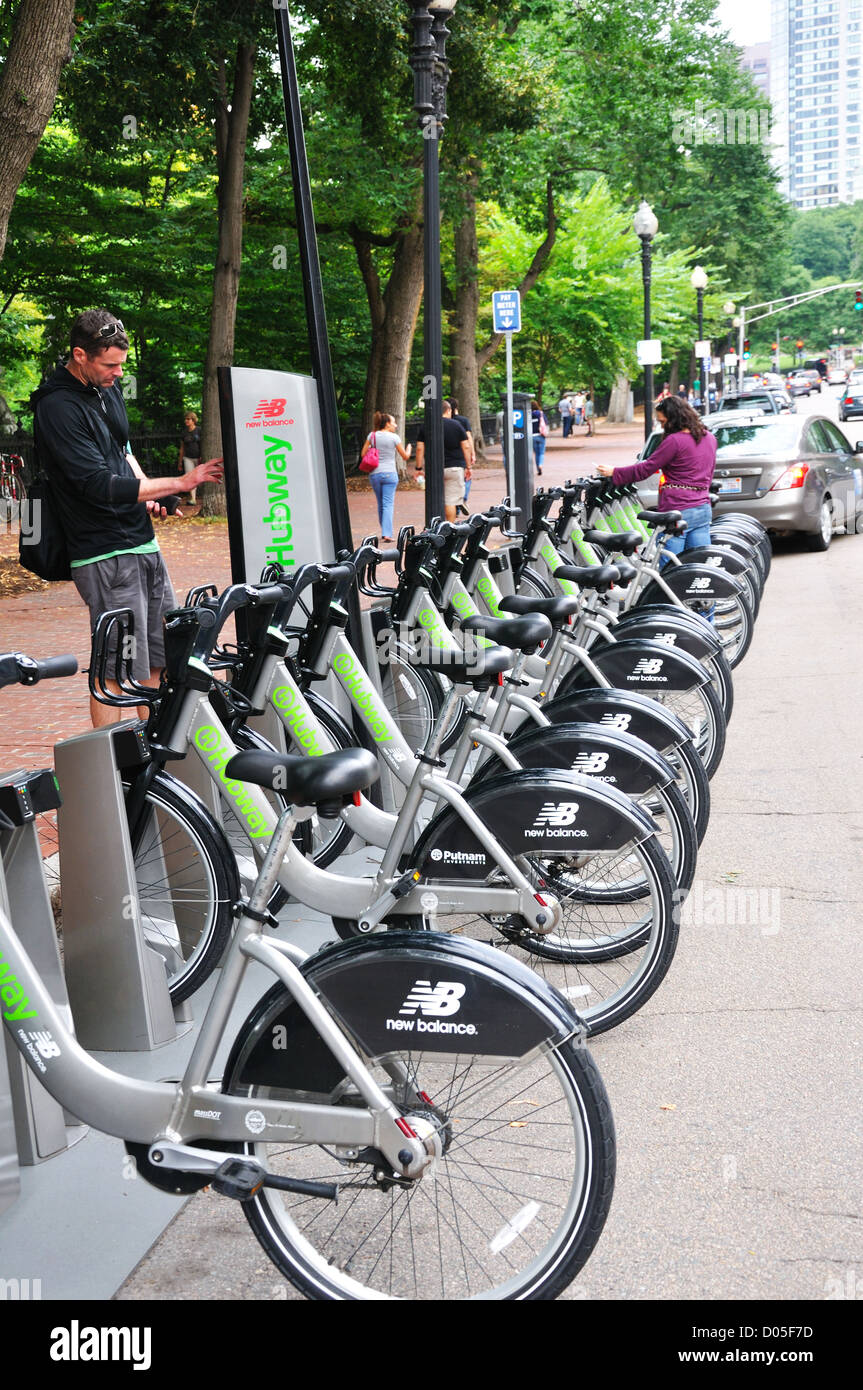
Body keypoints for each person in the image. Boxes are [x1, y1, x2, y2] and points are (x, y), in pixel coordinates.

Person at [29, 309, 223, 728]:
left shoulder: (106, 390)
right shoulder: (57, 407)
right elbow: (96, 484)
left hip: (141, 542)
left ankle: (152, 757)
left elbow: (125, 453)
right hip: (103, 552)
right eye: (109, 364)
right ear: (79, 355)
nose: (118, 373)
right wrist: (179, 482)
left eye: (121, 364)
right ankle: (117, 770)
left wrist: (152, 495)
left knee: (157, 658)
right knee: (116, 670)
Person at [596, 395, 716, 562]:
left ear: (674, 418)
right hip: (703, 506)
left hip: (678, 508)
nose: (662, 425)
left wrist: (614, 472)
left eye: (663, 421)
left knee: (669, 567)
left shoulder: (675, 441)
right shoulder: (709, 438)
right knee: (700, 564)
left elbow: (646, 469)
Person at [414, 400, 471, 521]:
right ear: (449, 410)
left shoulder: (426, 426)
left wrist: (419, 468)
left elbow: (419, 448)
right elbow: (466, 446)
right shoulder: (456, 425)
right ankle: (448, 530)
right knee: (450, 501)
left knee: (434, 499)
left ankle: (434, 526)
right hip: (454, 467)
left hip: (433, 468)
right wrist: (468, 466)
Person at [359, 411, 411, 541]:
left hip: (375, 474)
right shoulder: (394, 438)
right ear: (387, 424)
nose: (396, 425)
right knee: (388, 503)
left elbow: (363, 454)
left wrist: (373, 446)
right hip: (390, 474)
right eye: (394, 422)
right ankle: (387, 533)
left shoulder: (372, 436)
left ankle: (385, 530)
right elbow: (405, 456)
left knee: (381, 503)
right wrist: (409, 448)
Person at [448, 397, 475, 514]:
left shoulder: (443, 421)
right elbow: (468, 438)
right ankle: (463, 499)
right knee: (467, 478)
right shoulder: (463, 421)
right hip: (462, 453)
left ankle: (456, 507)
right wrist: (472, 453)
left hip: (448, 455)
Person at [177, 410, 201, 503]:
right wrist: (180, 462)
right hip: (188, 458)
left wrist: (202, 456)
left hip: (198, 457)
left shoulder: (199, 430)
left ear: (193, 420)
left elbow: (203, 444)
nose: (186, 421)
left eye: (188, 419)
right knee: (190, 477)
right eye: (185, 419)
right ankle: (193, 499)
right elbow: (182, 448)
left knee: (199, 477)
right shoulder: (184, 433)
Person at [531, 399, 549, 477]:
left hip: (532, 436)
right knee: (541, 453)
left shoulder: (528, 415)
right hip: (541, 435)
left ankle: (538, 470)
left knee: (536, 453)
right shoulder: (540, 413)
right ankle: (540, 464)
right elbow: (546, 423)